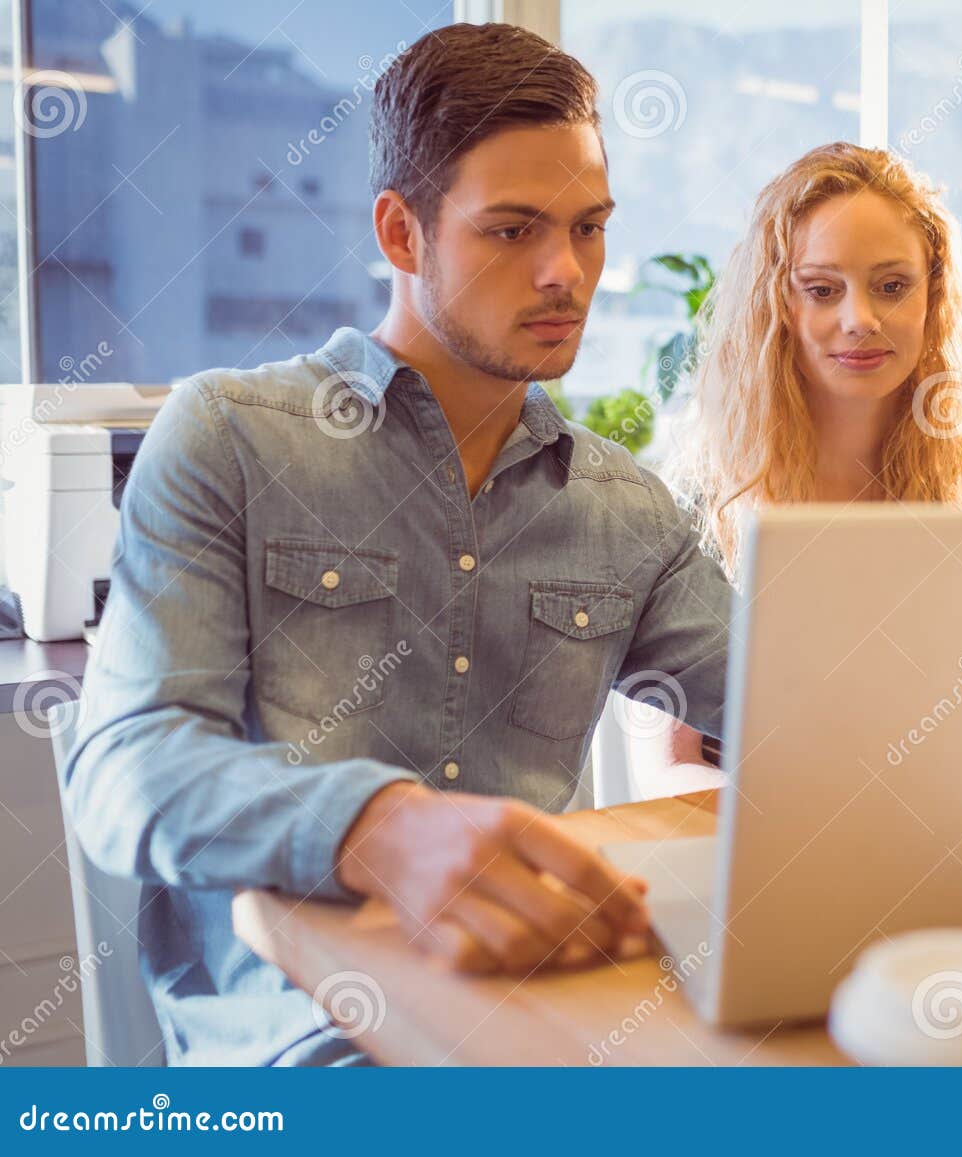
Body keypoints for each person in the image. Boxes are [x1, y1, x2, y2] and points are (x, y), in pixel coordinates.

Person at [63, 23, 733, 1066]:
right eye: (512, 230)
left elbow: (802, 710)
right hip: (306, 1046)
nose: (566, 272)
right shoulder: (231, 437)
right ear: (401, 232)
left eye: (589, 227)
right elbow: (124, 774)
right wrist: (379, 826)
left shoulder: (623, 506)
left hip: (544, 1022)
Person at [640, 142, 962, 791]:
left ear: (931, 297)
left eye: (891, 286)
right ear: (778, 304)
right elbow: (673, 764)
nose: (860, 319)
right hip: (753, 850)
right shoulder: (700, 501)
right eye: (822, 289)